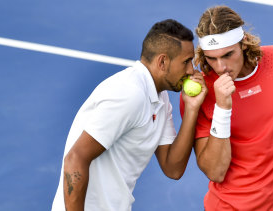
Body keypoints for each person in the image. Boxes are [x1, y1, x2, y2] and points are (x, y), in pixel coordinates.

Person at [180, 5, 273, 210]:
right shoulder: (201, 93)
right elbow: (215, 171)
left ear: (243, 43)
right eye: (211, 58)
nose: (220, 67)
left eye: (227, 55)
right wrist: (222, 108)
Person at [52, 19, 207, 211]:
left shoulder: (160, 97)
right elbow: (75, 159)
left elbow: (173, 168)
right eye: (186, 62)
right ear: (162, 61)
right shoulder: (129, 94)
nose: (191, 70)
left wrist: (192, 109)